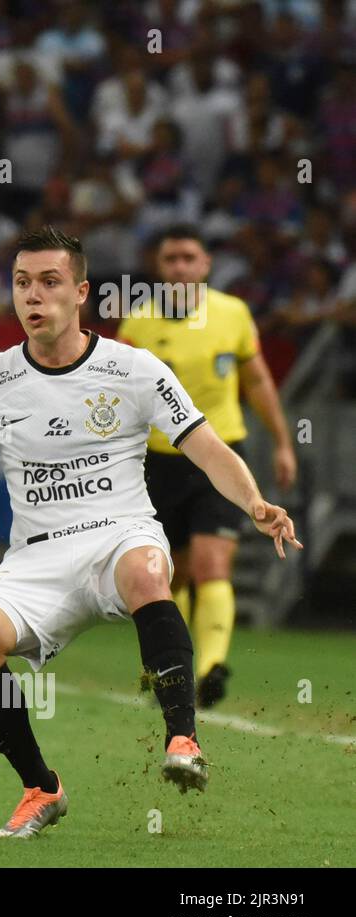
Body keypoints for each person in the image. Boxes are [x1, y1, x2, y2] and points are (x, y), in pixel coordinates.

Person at [0, 226, 301, 838]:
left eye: (49, 282)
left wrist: (254, 501)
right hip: (36, 559)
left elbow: (206, 447)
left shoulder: (134, 368)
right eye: (22, 283)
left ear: (80, 293)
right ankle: (41, 788)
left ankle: (183, 738)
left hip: (119, 533)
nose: (33, 296)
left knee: (149, 570)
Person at [119, 225, 296, 708]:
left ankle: (212, 667)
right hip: (158, 462)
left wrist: (283, 442)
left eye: (188, 257)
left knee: (213, 564)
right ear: (159, 266)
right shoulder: (138, 322)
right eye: (171, 257)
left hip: (219, 458)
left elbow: (257, 381)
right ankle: (167, 662)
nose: (179, 266)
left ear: (205, 265)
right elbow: (119, 398)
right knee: (166, 576)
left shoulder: (233, 314)